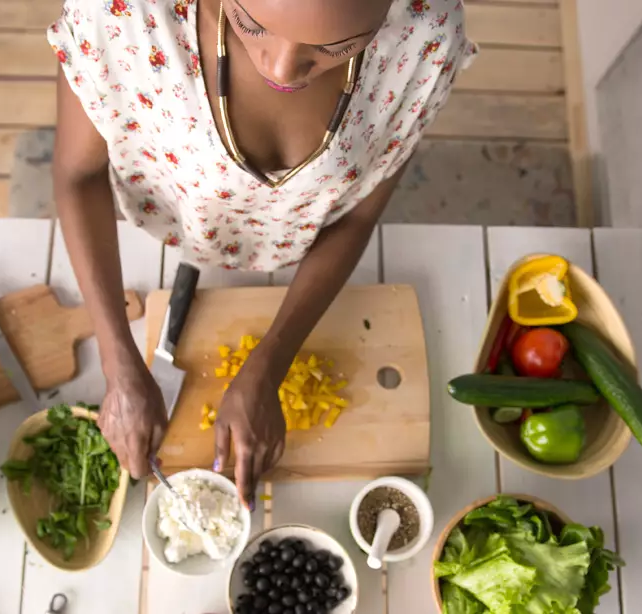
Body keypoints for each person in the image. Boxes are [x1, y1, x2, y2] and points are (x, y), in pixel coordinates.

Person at [49, 0, 475, 509]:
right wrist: (118, 365)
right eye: (250, 23)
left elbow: (359, 215)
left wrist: (270, 363)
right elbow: (77, 176)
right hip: (162, 233)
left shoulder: (426, 32)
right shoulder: (119, 14)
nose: (280, 67)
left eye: (334, 47)